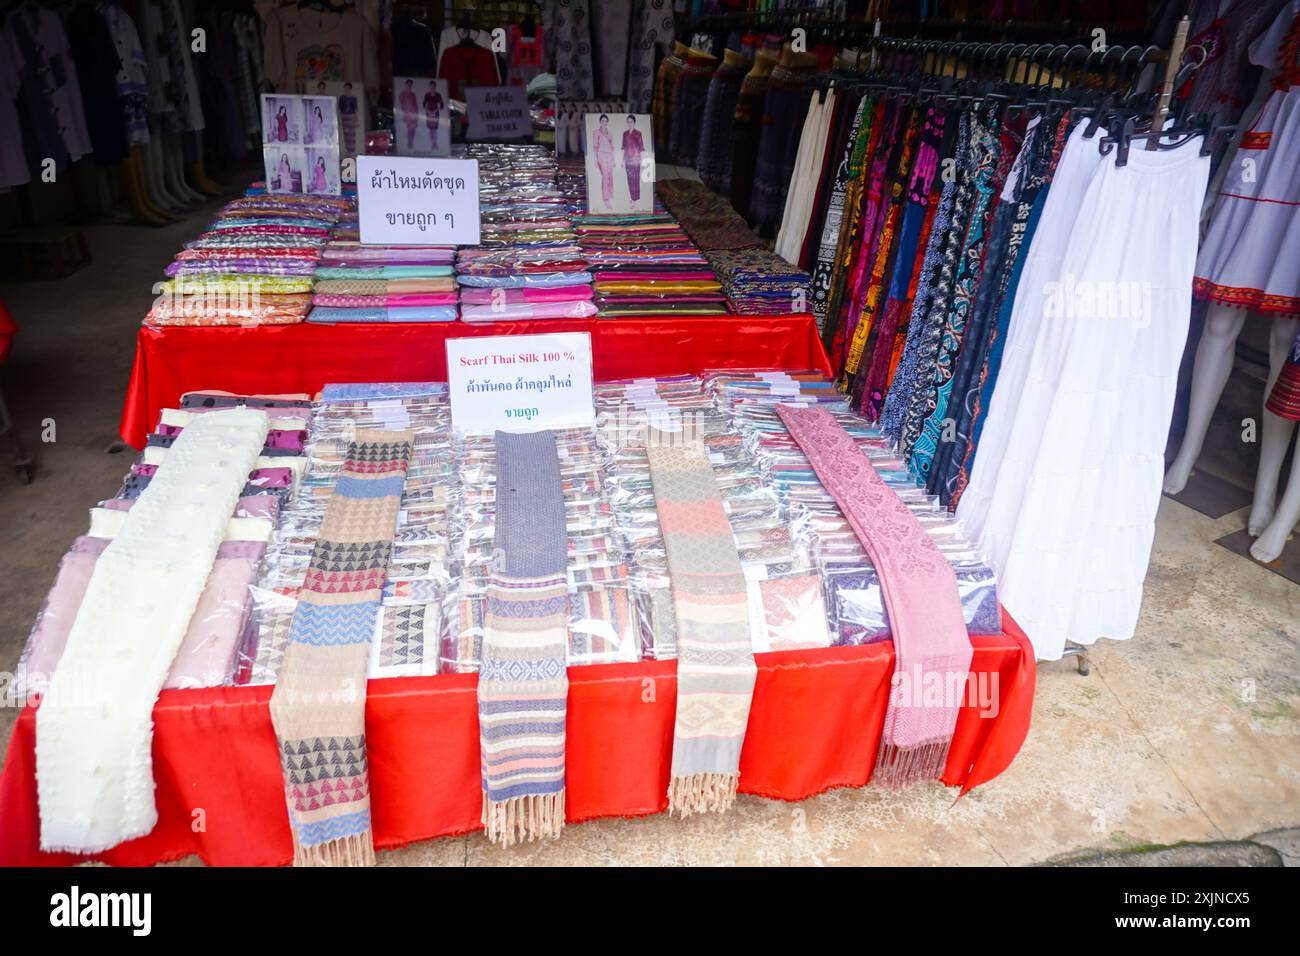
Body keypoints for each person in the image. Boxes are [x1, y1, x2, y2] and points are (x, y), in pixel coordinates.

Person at [621, 114, 645, 203]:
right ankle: (632, 198)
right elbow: (624, 148)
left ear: (634, 122)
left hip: (636, 160)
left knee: (636, 179)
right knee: (629, 179)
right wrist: (622, 161)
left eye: (631, 121)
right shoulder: (625, 134)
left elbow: (641, 148)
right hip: (628, 160)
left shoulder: (638, 133)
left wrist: (641, 161)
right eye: (628, 122)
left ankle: (636, 198)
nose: (629, 123)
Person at [594, 113, 614, 207]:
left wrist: (613, 159)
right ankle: (606, 199)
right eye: (602, 121)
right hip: (601, 155)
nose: (604, 122)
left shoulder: (610, 133)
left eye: (606, 121)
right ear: (600, 121)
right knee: (605, 176)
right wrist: (595, 160)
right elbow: (595, 147)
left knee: (610, 176)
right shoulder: (596, 132)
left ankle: (609, 196)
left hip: (609, 156)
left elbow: (612, 147)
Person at [423, 80, 444, 151]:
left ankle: (435, 144)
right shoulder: (427, 95)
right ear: (429, 86)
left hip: (435, 113)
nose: (432, 87)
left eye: (433, 86)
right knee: (430, 129)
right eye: (431, 86)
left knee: (434, 129)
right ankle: (432, 144)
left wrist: (435, 111)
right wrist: (428, 111)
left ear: (435, 87)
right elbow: (424, 105)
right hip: (428, 113)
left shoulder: (438, 95)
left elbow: (441, 106)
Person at [398, 78, 419, 150]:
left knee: (413, 129)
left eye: (410, 85)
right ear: (405, 85)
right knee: (409, 129)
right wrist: (406, 111)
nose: (409, 86)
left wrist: (417, 115)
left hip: (414, 114)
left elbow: (415, 105)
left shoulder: (413, 94)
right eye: (408, 85)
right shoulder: (402, 94)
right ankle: (409, 142)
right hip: (407, 114)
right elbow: (401, 105)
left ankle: (411, 142)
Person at [338, 82, 358, 155]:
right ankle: (348, 150)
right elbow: (340, 109)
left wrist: (356, 120)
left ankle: (352, 150)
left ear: (350, 89)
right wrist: (340, 119)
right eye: (345, 88)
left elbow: (355, 109)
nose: (346, 89)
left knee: (352, 134)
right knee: (346, 134)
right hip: (344, 116)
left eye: (348, 88)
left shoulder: (354, 98)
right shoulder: (342, 98)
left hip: (351, 116)